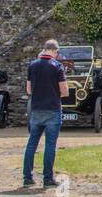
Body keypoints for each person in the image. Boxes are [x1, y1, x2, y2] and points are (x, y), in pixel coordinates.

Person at [23, 39, 69, 188]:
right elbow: (64, 90)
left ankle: (27, 177)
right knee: (50, 145)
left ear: (44, 49)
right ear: (55, 51)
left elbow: (29, 89)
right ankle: (47, 178)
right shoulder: (57, 66)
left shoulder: (33, 65)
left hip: (36, 108)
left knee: (32, 144)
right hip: (52, 108)